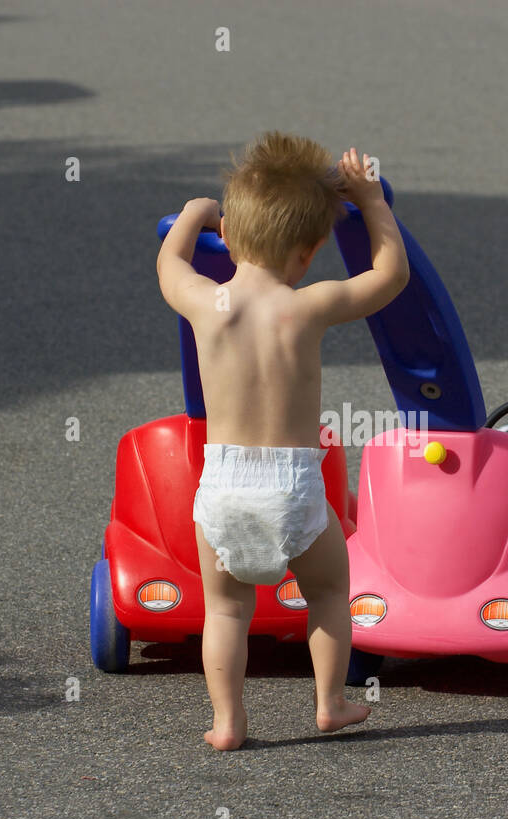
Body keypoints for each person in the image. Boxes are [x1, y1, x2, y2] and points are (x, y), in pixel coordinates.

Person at [157, 132, 409, 750]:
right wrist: (373, 202)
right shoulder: (306, 308)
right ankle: (331, 702)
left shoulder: (205, 304)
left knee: (225, 611)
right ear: (309, 252)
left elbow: (169, 265)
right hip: (290, 489)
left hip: (220, 490)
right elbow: (390, 276)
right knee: (326, 590)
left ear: (230, 234)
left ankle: (228, 722)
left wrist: (193, 213)